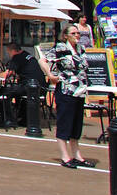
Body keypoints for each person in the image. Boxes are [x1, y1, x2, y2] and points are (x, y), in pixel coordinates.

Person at [39, 23, 94, 168]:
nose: (77, 36)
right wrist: (50, 75)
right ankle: (65, 156)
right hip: (66, 90)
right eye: (74, 34)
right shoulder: (60, 49)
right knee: (65, 123)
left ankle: (77, 155)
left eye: (78, 34)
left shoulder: (81, 49)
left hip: (80, 91)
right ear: (66, 36)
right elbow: (42, 60)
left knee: (76, 125)